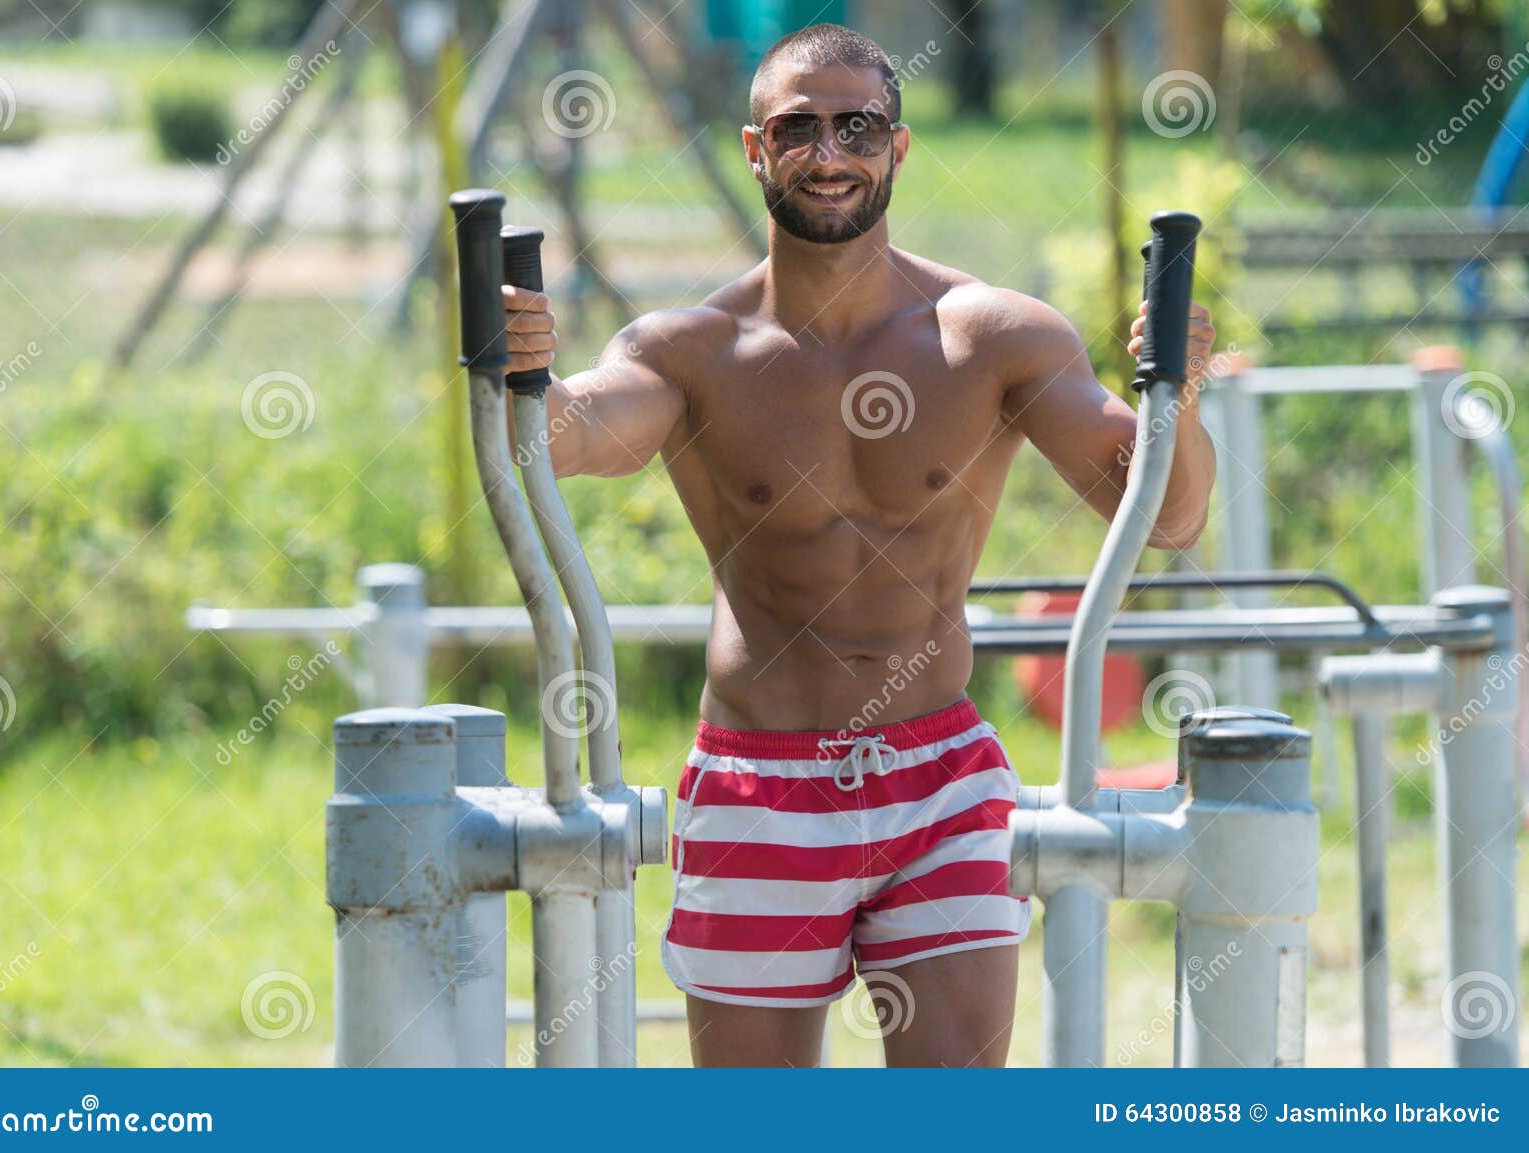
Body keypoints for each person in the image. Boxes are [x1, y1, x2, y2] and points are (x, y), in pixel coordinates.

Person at [500, 23, 1216, 1067]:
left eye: (857, 127)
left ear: (898, 145)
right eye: (798, 130)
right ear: (755, 150)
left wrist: (1177, 396)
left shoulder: (991, 337)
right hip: (758, 785)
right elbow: (569, 437)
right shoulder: (690, 351)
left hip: (939, 777)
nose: (828, 154)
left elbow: (1168, 514)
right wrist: (519, 374)